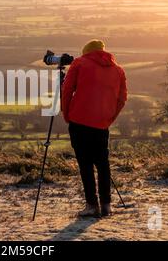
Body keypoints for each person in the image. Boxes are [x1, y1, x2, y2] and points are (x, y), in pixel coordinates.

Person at [62, 39, 127, 217]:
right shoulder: (118, 70)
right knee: (103, 164)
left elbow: (67, 91)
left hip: (79, 121)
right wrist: (109, 118)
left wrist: (67, 114)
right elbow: (122, 99)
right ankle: (107, 205)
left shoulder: (79, 63)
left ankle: (92, 205)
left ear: (86, 52)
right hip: (102, 123)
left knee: (85, 164)